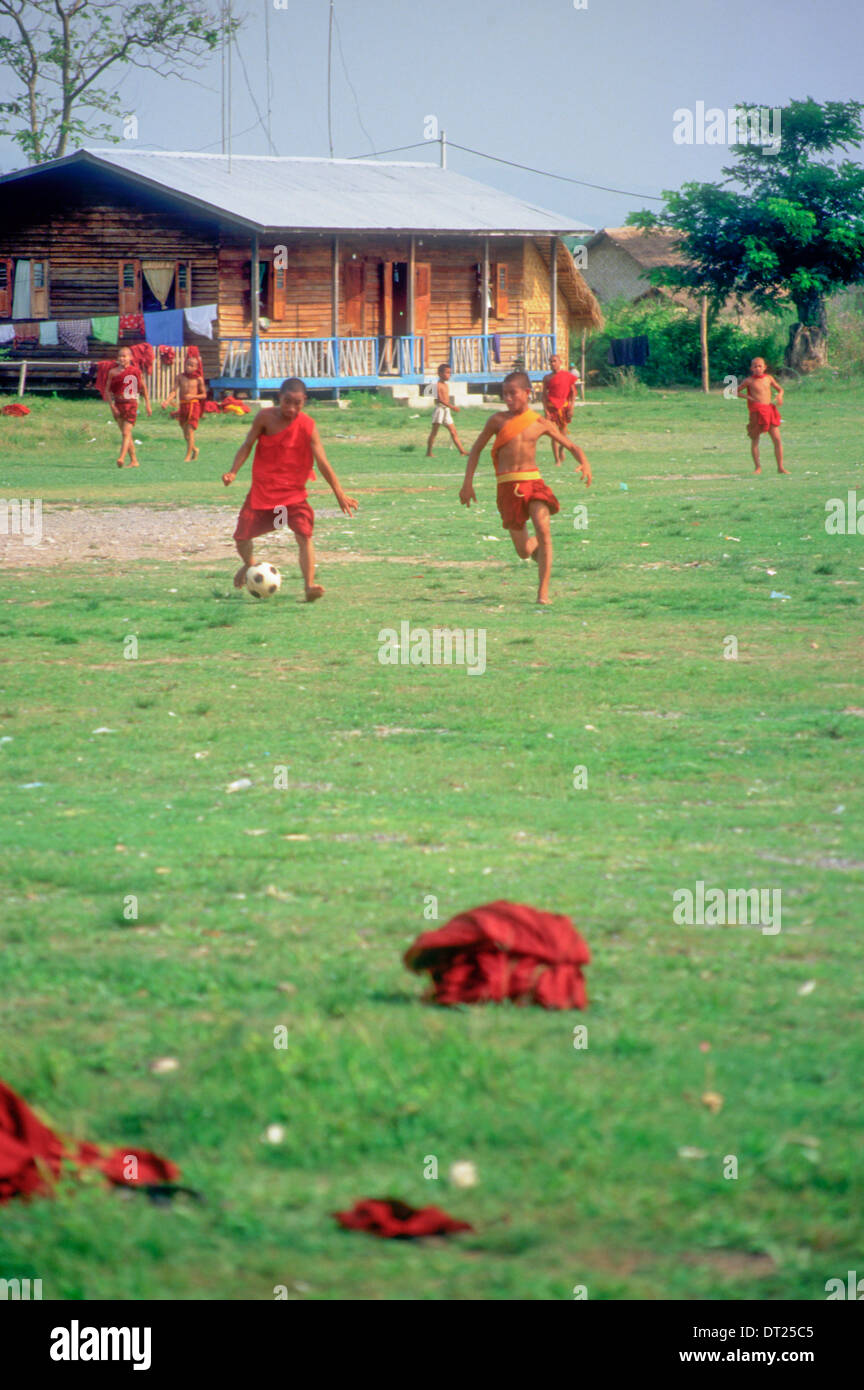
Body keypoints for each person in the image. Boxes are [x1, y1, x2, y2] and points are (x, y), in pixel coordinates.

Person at [459, 370, 591, 605]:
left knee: (543, 530)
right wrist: (467, 483)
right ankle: (540, 553)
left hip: (533, 483)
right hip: (507, 487)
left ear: (528, 393)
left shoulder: (541, 423)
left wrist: (584, 462)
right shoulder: (497, 421)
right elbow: (477, 449)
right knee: (523, 551)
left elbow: (571, 446)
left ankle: (543, 594)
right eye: (504, 394)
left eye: (513, 394)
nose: (508, 399)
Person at [222, 377, 358, 601]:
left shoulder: (307, 426)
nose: (292, 408)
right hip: (263, 492)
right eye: (287, 402)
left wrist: (339, 493)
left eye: (298, 403)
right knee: (241, 537)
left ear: (305, 401)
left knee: (304, 535)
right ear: (279, 398)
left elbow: (322, 461)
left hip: (292, 494)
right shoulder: (264, 418)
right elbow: (247, 445)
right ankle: (251, 566)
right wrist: (233, 471)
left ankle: (309, 586)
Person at [737, 358, 788, 473]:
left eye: (760, 366)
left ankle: (780, 467)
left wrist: (780, 395)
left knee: (777, 439)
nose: (757, 368)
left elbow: (780, 389)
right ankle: (758, 467)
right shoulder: (749, 381)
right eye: (755, 366)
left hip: (769, 411)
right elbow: (736, 391)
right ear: (751, 368)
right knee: (755, 439)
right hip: (756, 412)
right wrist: (748, 397)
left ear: (765, 367)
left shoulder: (769, 378)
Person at [103, 345, 152, 468]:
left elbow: (143, 388)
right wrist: (112, 406)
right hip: (118, 404)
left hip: (131, 404)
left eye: (124, 356)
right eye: (120, 356)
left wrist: (148, 405)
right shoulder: (113, 372)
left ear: (130, 357)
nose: (122, 358)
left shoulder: (135, 371)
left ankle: (121, 457)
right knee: (126, 434)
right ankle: (134, 460)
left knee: (126, 433)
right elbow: (107, 390)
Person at [162, 350, 207, 461]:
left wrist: (192, 396)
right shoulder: (180, 377)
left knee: (190, 430)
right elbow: (174, 391)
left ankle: (187, 456)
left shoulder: (198, 379)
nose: (189, 367)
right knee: (185, 433)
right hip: (183, 406)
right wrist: (167, 401)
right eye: (187, 364)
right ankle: (195, 449)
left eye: (192, 366)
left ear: (196, 367)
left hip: (193, 405)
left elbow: (204, 395)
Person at [541, 353, 579, 465]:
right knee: (553, 434)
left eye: (554, 361)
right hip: (551, 408)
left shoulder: (567, 376)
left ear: (560, 362)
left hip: (563, 408)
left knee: (563, 435)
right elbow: (543, 395)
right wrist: (545, 410)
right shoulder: (547, 378)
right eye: (550, 362)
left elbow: (573, 393)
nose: (552, 364)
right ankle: (557, 460)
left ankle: (562, 449)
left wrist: (571, 407)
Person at [426, 364, 466, 457]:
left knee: (453, 431)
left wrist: (449, 408)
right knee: (434, 432)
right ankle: (429, 452)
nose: (449, 375)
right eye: (447, 372)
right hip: (439, 410)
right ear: (439, 374)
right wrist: (452, 407)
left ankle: (462, 451)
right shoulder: (437, 385)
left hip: (446, 410)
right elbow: (440, 399)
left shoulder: (446, 385)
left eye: (449, 373)